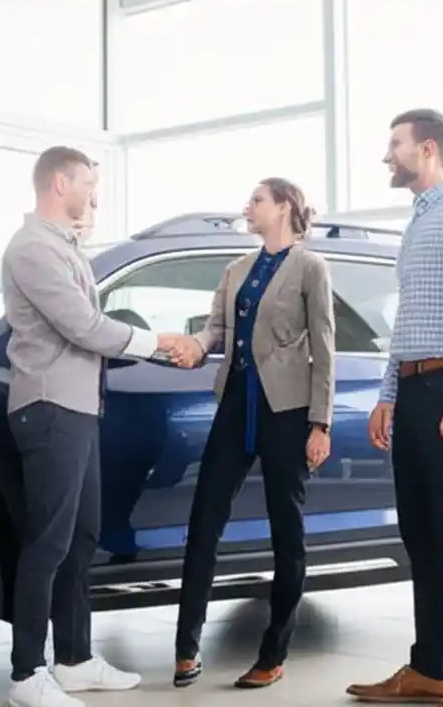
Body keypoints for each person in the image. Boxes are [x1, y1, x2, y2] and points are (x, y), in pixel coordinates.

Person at [1, 146, 189, 707]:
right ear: (61, 182)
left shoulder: (62, 247)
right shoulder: (32, 248)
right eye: (88, 182)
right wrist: (158, 343)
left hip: (78, 409)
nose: (94, 194)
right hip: (50, 407)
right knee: (49, 541)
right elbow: (84, 326)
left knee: (82, 538)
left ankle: (75, 660)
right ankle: (26, 675)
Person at [345, 109, 443, 707]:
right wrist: (389, 395)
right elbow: (407, 322)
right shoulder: (417, 225)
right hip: (414, 391)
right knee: (421, 535)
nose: (387, 155)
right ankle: (431, 669)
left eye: (396, 143)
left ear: (428, 149)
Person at [165, 177, 335, 691]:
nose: (248, 206)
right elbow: (215, 329)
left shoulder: (311, 267)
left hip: (287, 412)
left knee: (287, 532)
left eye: (257, 200)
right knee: (204, 521)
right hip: (236, 405)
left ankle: (273, 654)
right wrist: (196, 345)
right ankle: (186, 649)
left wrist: (320, 424)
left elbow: (324, 347)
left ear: (282, 207)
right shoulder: (236, 268)